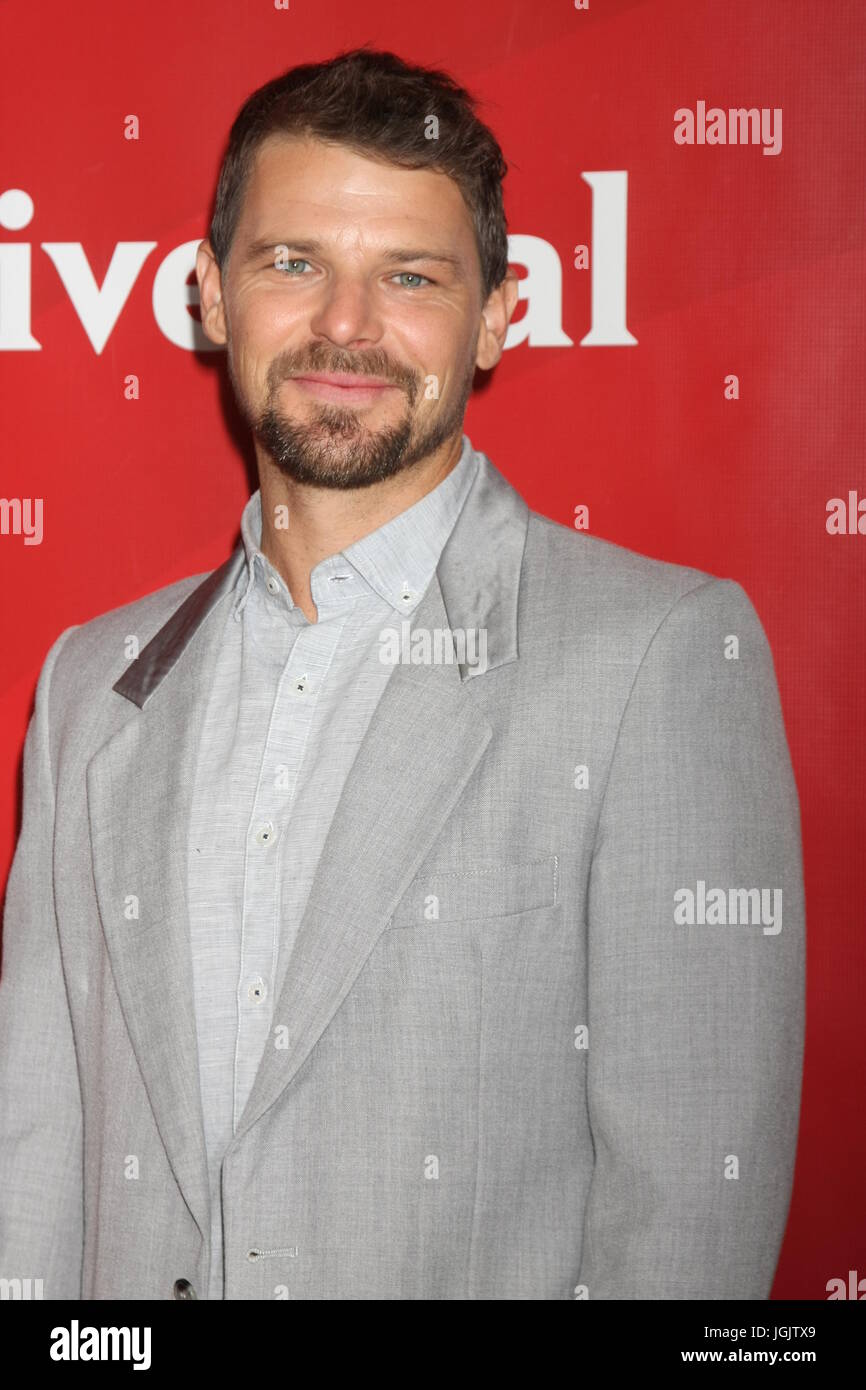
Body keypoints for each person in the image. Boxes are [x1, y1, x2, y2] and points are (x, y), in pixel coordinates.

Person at [0, 47, 804, 1300]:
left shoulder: (655, 656)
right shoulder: (91, 685)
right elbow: (37, 1159)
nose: (344, 326)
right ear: (210, 294)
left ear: (494, 317)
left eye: (410, 277)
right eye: (293, 262)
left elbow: (688, 1220)